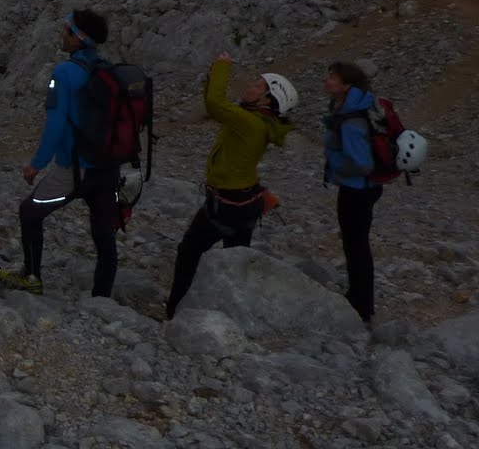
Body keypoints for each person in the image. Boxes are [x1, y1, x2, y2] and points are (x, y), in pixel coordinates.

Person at [0, 9, 118, 298]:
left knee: (29, 212)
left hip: (75, 169)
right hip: (108, 167)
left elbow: (55, 124)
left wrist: (36, 165)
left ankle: (32, 277)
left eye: (67, 31)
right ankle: (102, 299)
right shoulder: (106, 69)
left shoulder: (64, 72)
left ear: (80, 38)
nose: (62, 36)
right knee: (103, 235)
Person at [164, 52, 295, 319]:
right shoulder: (258, 122)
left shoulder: (249, 123)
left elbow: (214, 103)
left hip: (226, 204)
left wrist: (222, 66)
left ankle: (174, 311)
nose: (250, 86)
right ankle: (230, 313)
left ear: (268, 99)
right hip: (245, 203)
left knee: (189, 251)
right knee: (234, 261)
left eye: (257, 85)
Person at [323, 60, 382, 326]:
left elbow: (361, 163)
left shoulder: (351, 118)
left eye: (333, 77)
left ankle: (362, 306)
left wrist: (334, 164)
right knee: (355, 243)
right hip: (361, 188)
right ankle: (358, 298)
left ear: (346, 85)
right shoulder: (351, 107)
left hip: (358, 190)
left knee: (356, 245)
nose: (327, 80)